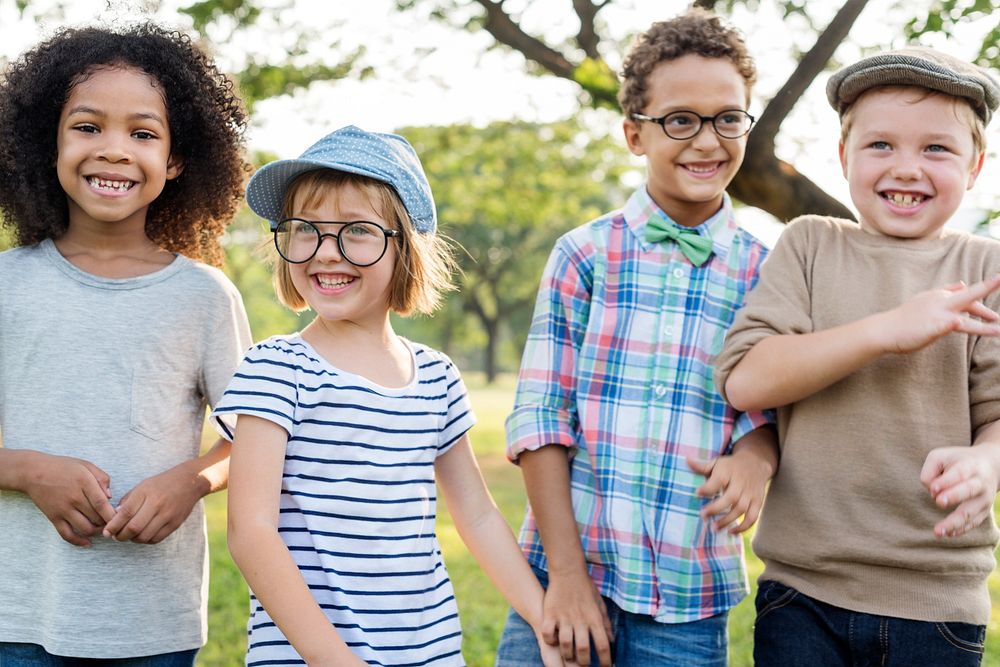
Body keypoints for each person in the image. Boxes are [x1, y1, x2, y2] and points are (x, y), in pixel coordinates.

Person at [213, 124, 564, 667]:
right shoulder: (276, 368)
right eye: (305, 229)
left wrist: (546, 619)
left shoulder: (437, 377)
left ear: (403, 248)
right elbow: (250, 532)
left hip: (428, 651)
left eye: (357, 231)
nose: (326, 252)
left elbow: (477, 515)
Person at [494, 9, 779, 667]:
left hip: (687, 590)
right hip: (563, 571)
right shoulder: (585, 255)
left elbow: (767, 409)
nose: (707, 141)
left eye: (727, 118)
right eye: (680, 120)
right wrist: (564, 576)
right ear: (634, 133)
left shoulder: (766, 269)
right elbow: (541, 421)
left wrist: (757, 458)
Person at [714, 47, 1000, 666]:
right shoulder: (810, 245)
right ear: (843, 157)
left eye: (936, 149)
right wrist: (888, 330)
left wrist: (988, 462)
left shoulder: (986, 267)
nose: (907, 168)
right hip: (804, 593)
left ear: (975, 166)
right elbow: (747, 381)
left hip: (938, 603)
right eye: (880, 146)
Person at [0, 23, 252, 666]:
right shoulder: (8, 284)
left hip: (151, 623)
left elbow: (248, 438)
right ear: (45, 144)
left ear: (175, 160)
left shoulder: (205, 296)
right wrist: (28, 471)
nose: (114, 150)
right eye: (87, 126)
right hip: (16, 614)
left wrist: (190, 481)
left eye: (142, 133)